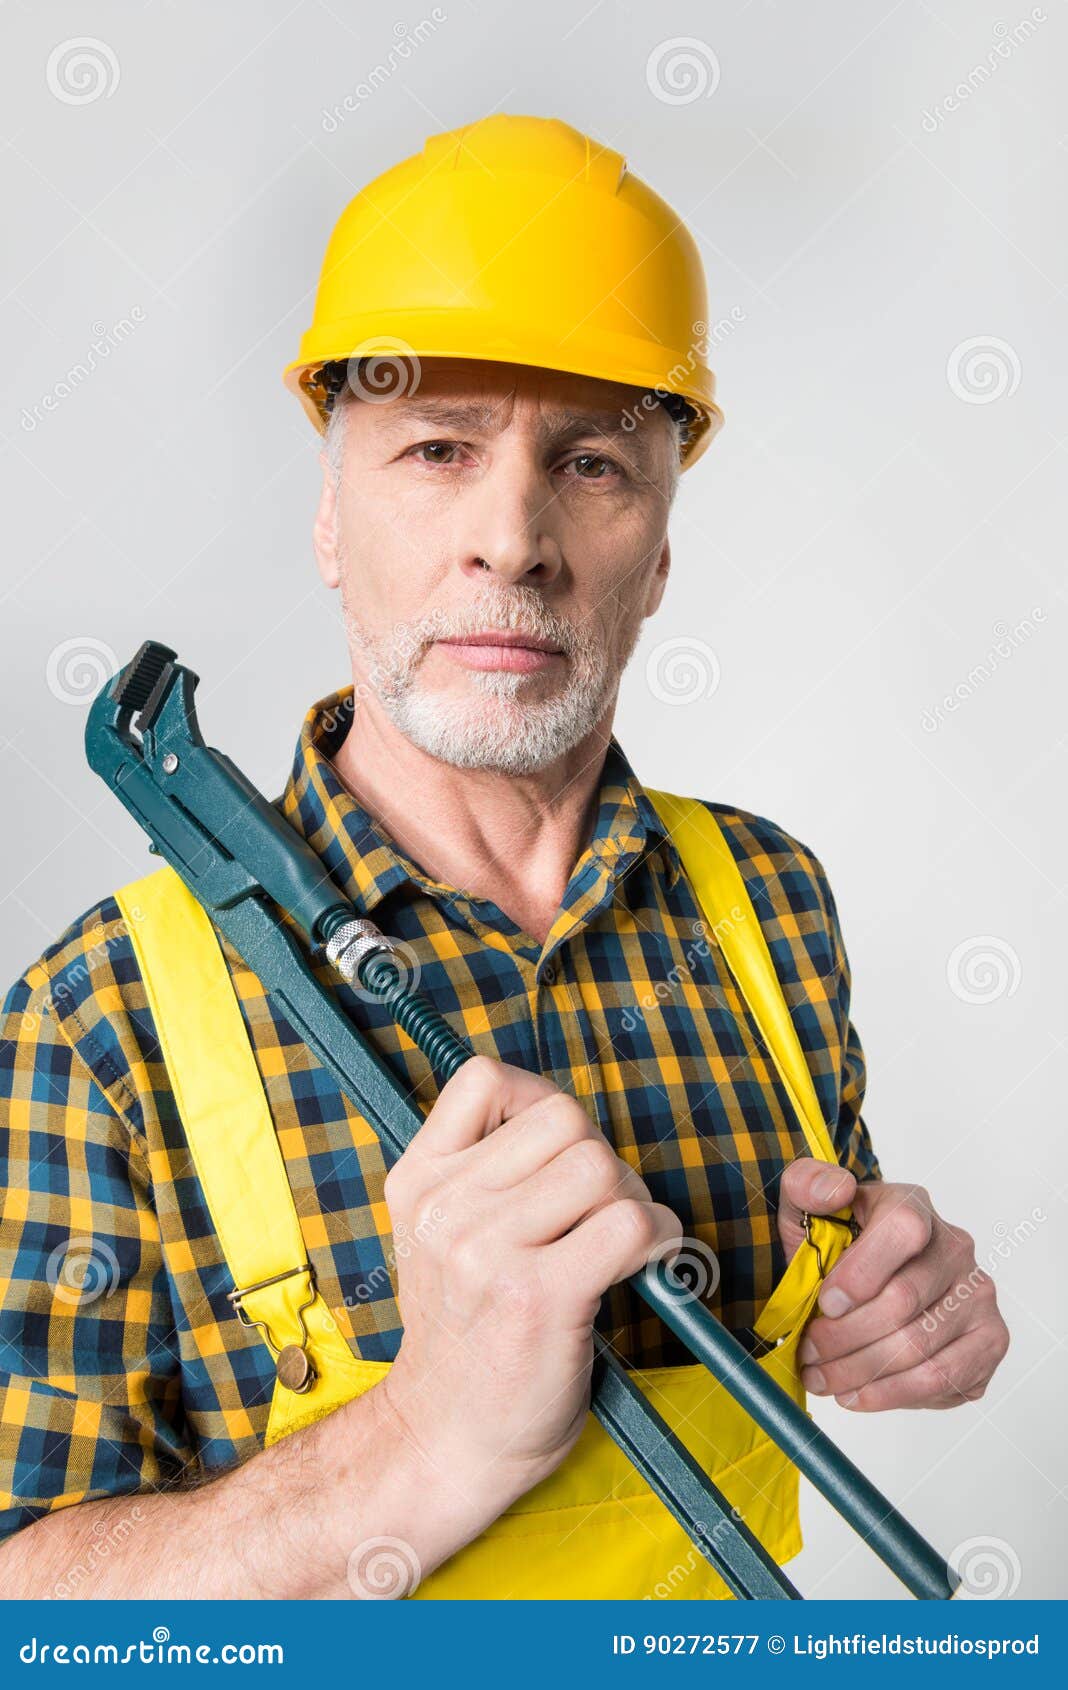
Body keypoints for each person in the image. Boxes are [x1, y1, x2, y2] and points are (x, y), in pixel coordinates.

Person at [0, 114, 1008, 1601]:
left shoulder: (771, 904)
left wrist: (901, 1307)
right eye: (437, 449)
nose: (513, 538)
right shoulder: (105, 1013)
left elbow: (840, 1286)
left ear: (661, 546)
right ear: (333, 522)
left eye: (593, 462)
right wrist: (430, 1435)